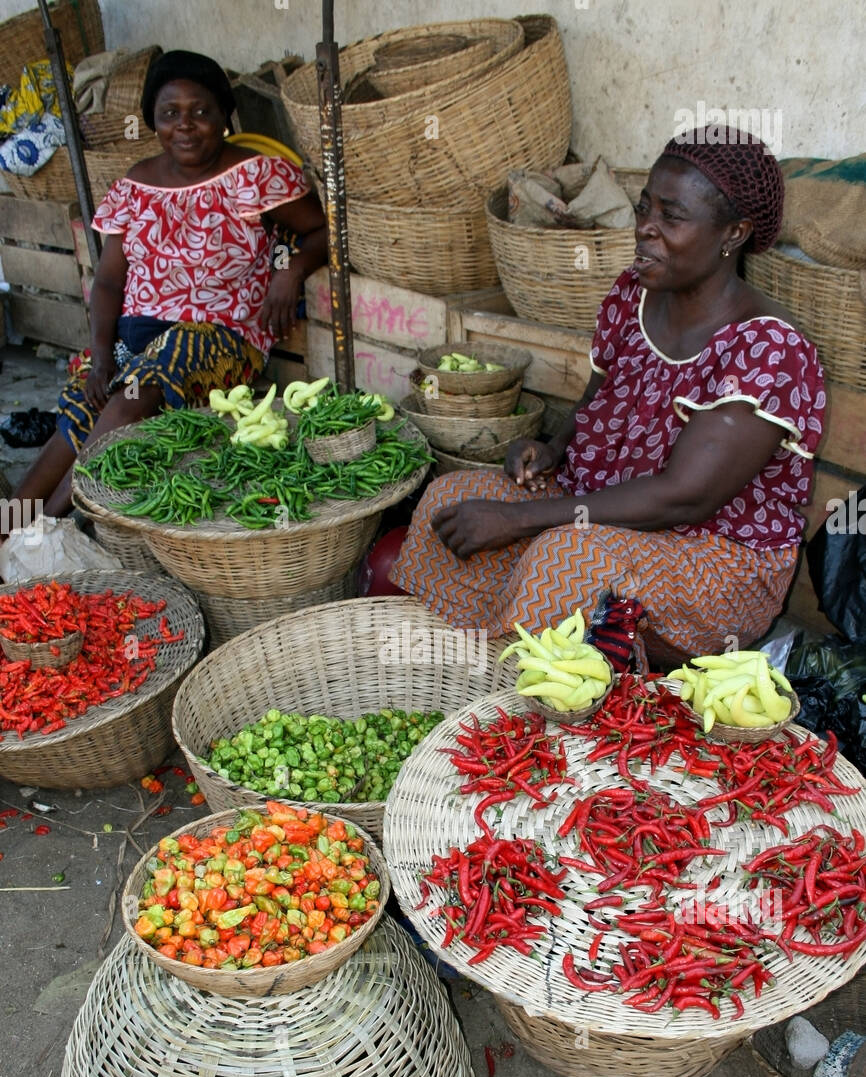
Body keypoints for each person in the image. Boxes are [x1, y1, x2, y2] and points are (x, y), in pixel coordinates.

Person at [391, 127, 826, 670]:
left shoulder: (766, 349)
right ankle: (453, 670)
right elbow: (597, 401)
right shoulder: (635, 292)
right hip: (602, 503)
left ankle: (517, 707)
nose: (645, 228)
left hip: (715, 558)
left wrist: (519, 518)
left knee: (565, 560)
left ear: (733, 234)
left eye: (672, 217)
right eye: (645, 208)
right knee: (444, 502)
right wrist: (554, 446)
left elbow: (684, 498)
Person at [8, 49, 327, 523]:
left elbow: (319, 230)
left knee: (141, 385)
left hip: (218, 335)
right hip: (136, 334)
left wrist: (291, 270)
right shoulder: (136, 185)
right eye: (170, 114)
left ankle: (54, 524)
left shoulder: (256, 175)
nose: (186, 125)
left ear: (224, 116)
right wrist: (99, 360)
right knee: (80, 412)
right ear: (152, 122)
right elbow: (110, 281)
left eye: (201, 111)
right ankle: (7, 532)